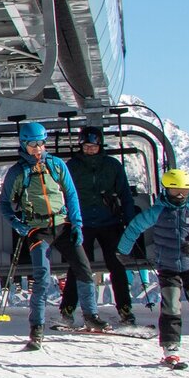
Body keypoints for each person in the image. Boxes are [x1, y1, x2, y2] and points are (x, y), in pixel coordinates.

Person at [0, 121, 107, 351]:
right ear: (24, 144)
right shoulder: (18, 173)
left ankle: (90, 315)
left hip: (63, 224)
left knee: (84, 269)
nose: (38, 148)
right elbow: (5, 204)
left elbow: (71, 194)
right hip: (38, 229)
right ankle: (36, 327)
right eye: (32, 144)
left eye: (41, 143)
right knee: (41, 277)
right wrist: (18, 225)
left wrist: (76, 223)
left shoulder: (56, 165)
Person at [118, 169, 189, 366]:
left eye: (184, 191)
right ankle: (170, 348)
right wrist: (122, 251)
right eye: (175, 192)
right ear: (166, 191)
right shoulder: (157, 211)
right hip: (167, 267)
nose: (180, 195)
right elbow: (135, 227)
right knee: (172, 305)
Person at [59, 127, 138, 325]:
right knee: (78, 266)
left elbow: (125, 194)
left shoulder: (112, 166)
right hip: (81, 223)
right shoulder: (73, 167)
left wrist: (129, 220)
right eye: (86, 146)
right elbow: (63, 194)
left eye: (94, 146)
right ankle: (68, 307)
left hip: (109, 221)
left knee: (117, 264)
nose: (90, 149)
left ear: (100, 145)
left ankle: (125, 308)